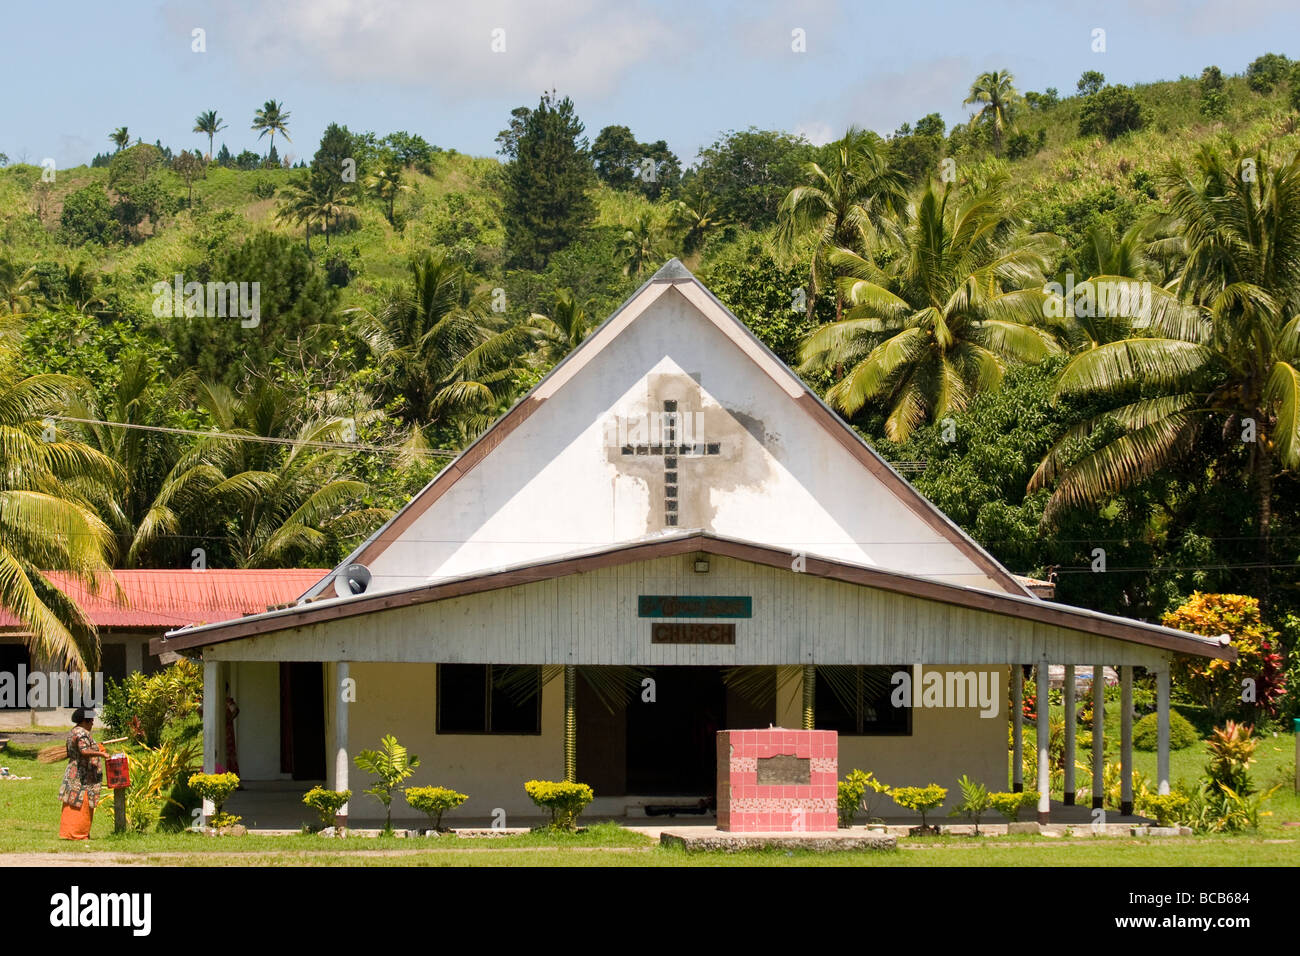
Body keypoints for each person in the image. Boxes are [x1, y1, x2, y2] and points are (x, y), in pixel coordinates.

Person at [59, 707, 109, 840]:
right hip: (82, 776)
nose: (93, 723)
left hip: (73, 773)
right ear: (84, 720)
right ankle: (78, 833)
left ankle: (71, 832)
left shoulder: (73, 731)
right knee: (82, 802)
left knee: (72, 802)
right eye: (91, 720)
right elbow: (84, 751)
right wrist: (101, 753)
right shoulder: (82, 733)